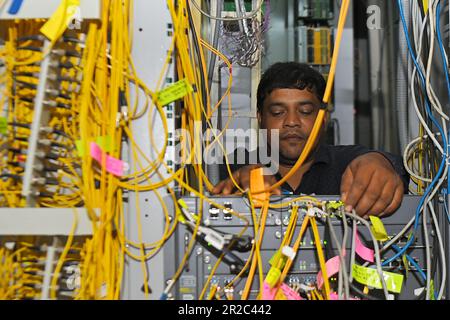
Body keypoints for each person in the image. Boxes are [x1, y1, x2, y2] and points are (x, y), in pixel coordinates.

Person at [212, 62, 409, 218]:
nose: (291, 122)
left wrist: (380, 162)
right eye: (278, 112)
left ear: (324, 119)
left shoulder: (346, 163)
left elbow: (391, 164)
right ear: (260, 118)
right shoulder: (232, 167)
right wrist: (234, 186)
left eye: (305, 111)